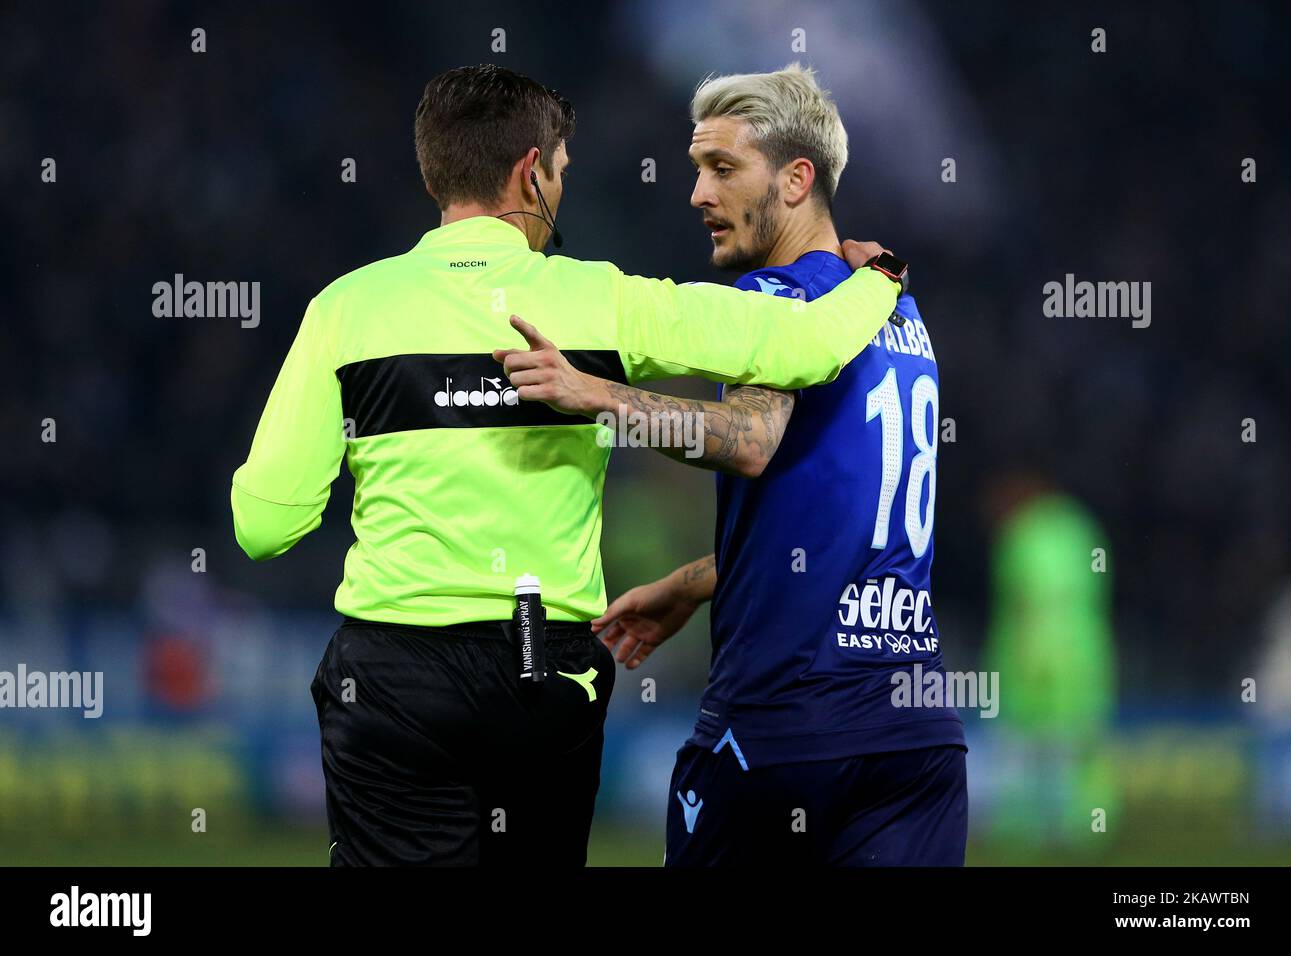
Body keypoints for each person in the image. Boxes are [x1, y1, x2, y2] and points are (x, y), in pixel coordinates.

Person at [230, 63, 906, 866]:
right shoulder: (600, 299)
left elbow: (264, 527)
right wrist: (880, 281)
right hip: (541, 667)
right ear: (530, 171)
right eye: (560, 170)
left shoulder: (346, 309)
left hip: (391, 673)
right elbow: (807, 347)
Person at [508, 65, 965, 865]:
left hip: (785, 727)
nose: (697, 193)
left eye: (722, 168)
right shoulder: (894, 308)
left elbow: (750, 443)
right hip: (914, 736)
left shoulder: (778, 304)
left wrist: (593, 393)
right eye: (696, 169)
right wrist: (692, 583)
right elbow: (840, 509)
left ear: (797, 180)